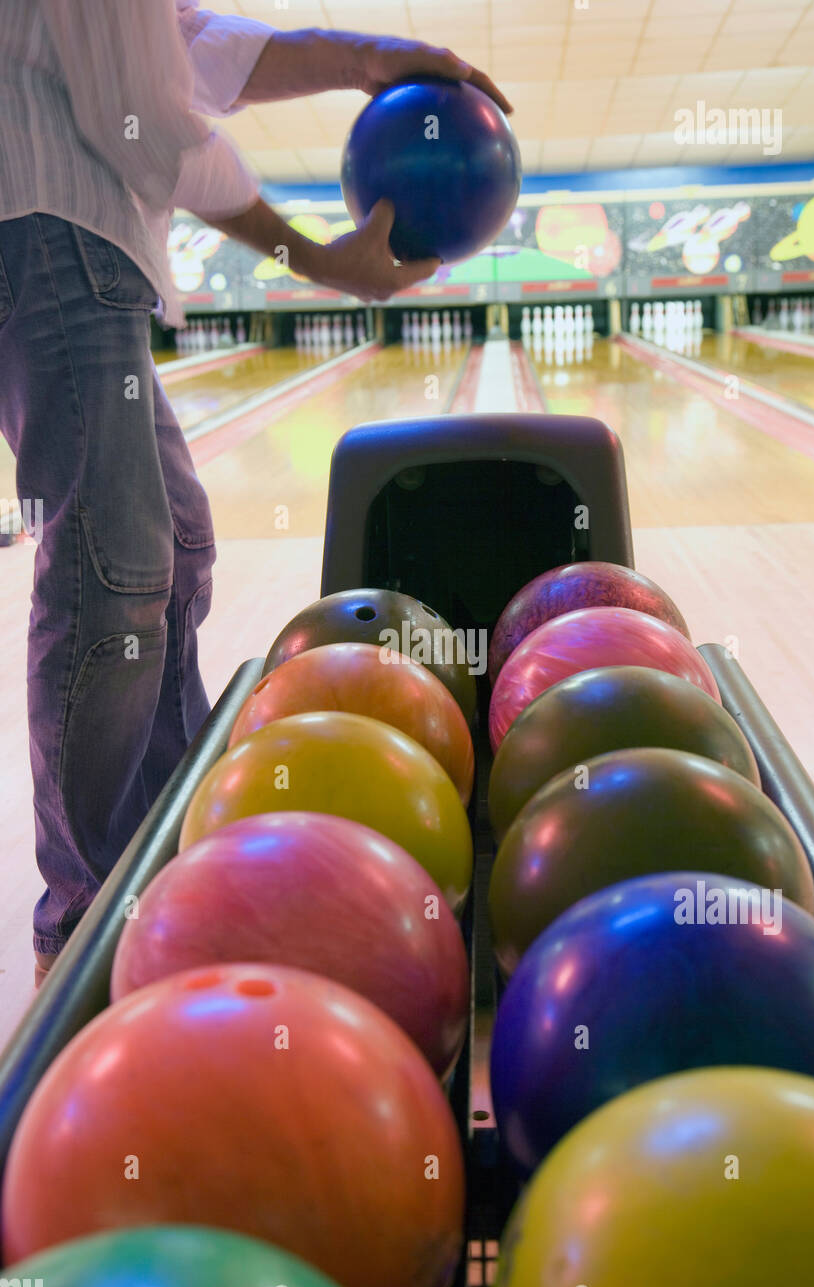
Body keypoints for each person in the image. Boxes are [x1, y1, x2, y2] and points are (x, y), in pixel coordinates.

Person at [0, 2, 512, 983]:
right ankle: (93, 912)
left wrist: (371, 56)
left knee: (172, 547)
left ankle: (168, 835)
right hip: (47, 233)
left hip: (83, 247)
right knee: (113, 574)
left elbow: (186, 47)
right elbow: (142, 115)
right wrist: (312, 256)